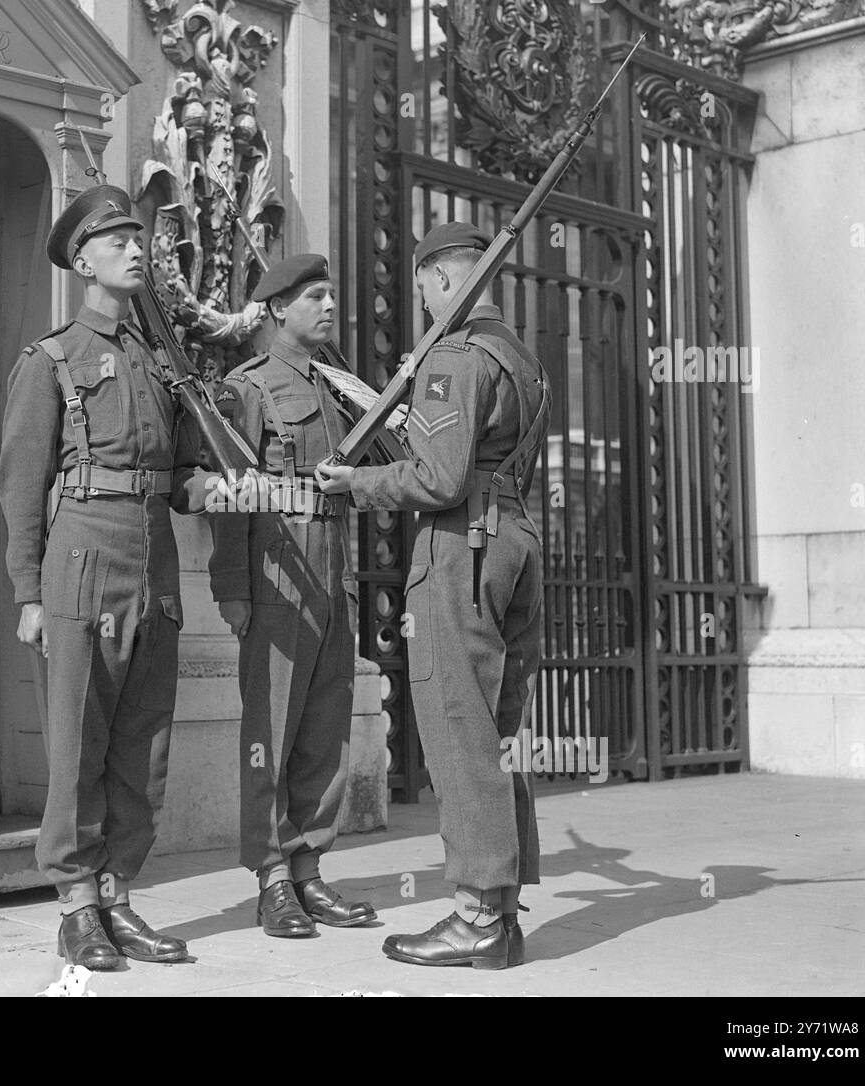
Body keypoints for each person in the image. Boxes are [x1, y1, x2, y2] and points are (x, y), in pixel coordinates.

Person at [0, 184, 242, 970]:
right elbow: (19, 485)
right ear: (82, 258)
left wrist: (222, 483)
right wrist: (28, 593)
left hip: (153, 562)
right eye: (119, 240)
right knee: (78, 740)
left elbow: (179, 479)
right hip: (82, 561)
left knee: (145, 742)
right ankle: (74, 904)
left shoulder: (162, 364)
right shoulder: (53, 360)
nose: (137, 250)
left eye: (140, 239)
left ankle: (119, 893)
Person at [315, 223, 550, 969]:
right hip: (514, 536)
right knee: (497, 732)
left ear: (445, 279)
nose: (420, 300)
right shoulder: (520, 359)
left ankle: (476, 915)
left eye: (422, 287)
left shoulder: (454, 354)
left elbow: (440, 480)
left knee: (460, 730)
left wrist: (360, 484)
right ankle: (500, 914)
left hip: (463, 546)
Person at [209, 254, 377, 937]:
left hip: (333, 565)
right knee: (271, 731)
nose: (329, 305)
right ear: (277, 308)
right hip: (278, 565)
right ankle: (273, 877)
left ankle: (310, 870)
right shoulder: (246, 387)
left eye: (331, 294)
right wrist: (234, 587)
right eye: (315, 296)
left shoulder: (339, 387)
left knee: (324, 729)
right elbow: (228, 494)